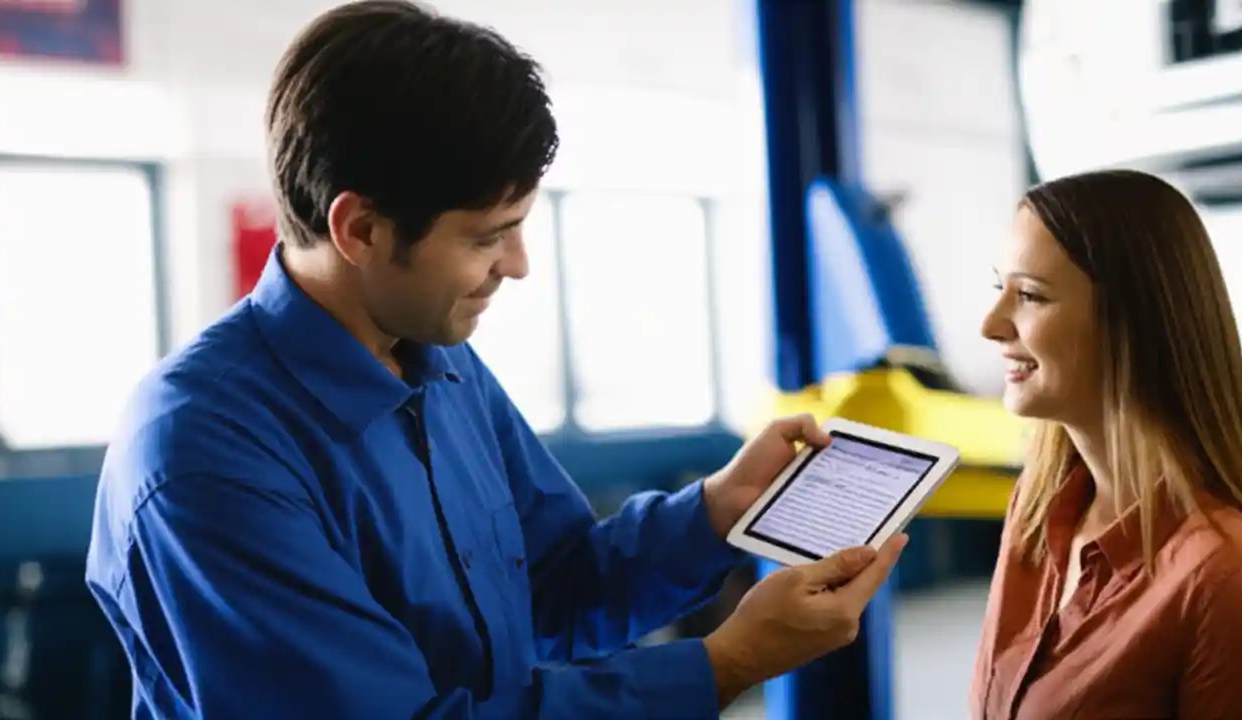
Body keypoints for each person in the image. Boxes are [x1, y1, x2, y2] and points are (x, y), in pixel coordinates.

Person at [84, 2, 907, 718]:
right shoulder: (205, 454)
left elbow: (552, 588)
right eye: (485, 237)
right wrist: (726, 665)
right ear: (360, 229)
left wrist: (716, 515)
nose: (516, 265)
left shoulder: (438, 363)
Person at [972, 169, 1242, 719]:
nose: (991, 324)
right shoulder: (1037, 514)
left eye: (1030, 295)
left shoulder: (1229, 579)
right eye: (1000, 288)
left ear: (1132, 323)